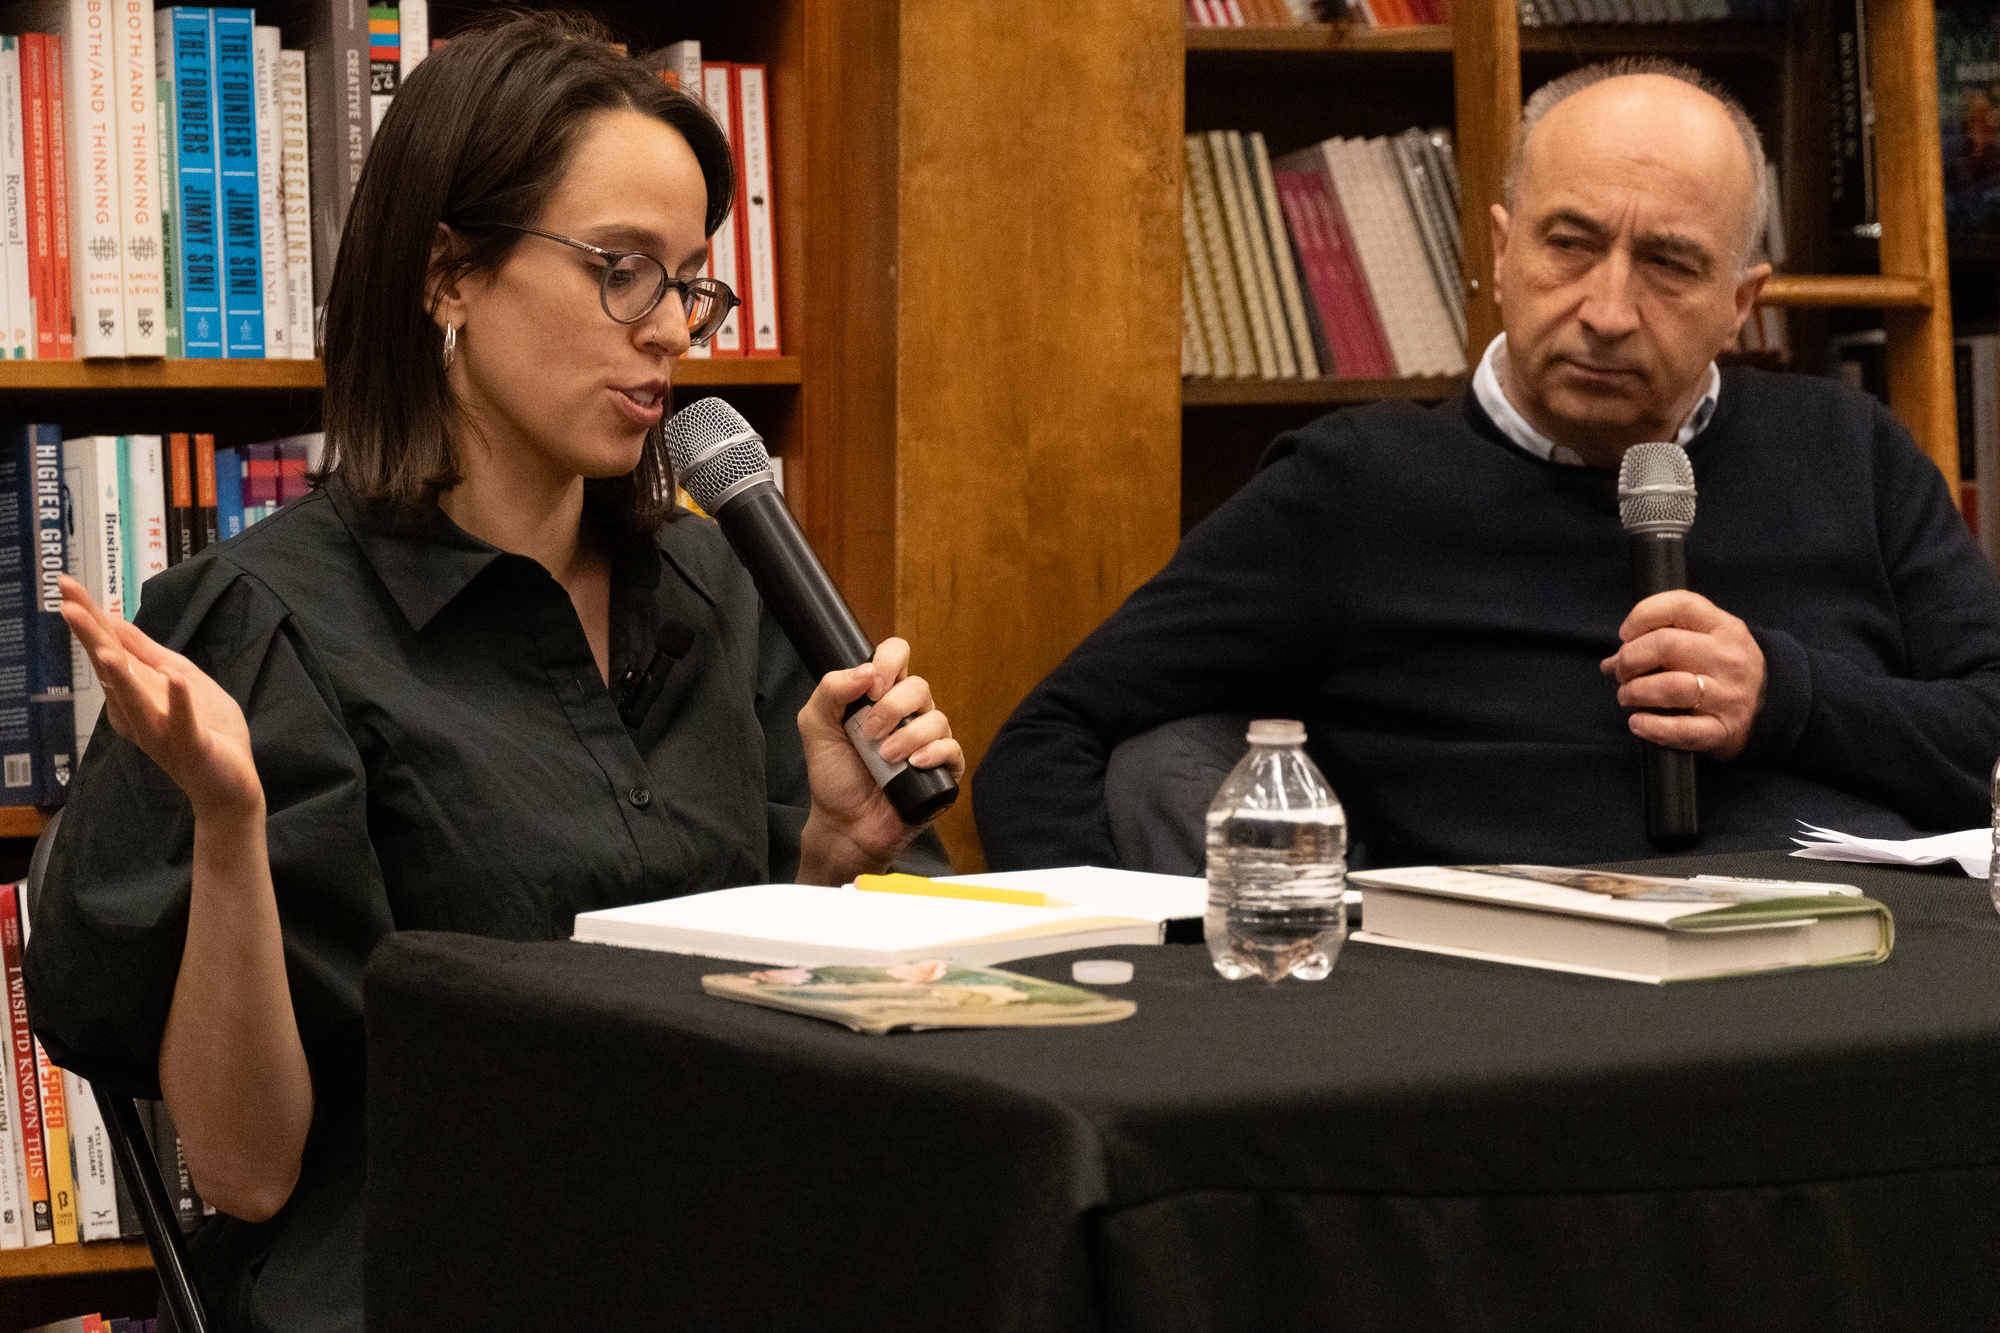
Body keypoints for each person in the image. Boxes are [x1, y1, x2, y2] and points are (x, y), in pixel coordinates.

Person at [24, 16, 961, 1331]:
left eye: (691, 281)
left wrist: (823, 863)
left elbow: (798, 1036)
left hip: (733, 1233)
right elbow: (247, 1172)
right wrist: (230, 825)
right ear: (449, 275)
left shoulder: (723, 591)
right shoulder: (266, 623)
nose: (670, 331)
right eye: (619, 271)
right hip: (431, 1273)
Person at [975, 59, 2000, 872]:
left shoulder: (1846, 450)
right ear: (1500, 253)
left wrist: (1789, 699)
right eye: (1569, 244)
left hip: (1863, 982)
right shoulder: (1358, 488)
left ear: (1743, 300)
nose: (1604, 311)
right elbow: (1052, 735)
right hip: (1520, 1024)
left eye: (1668, 265)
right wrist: (1130, 975)